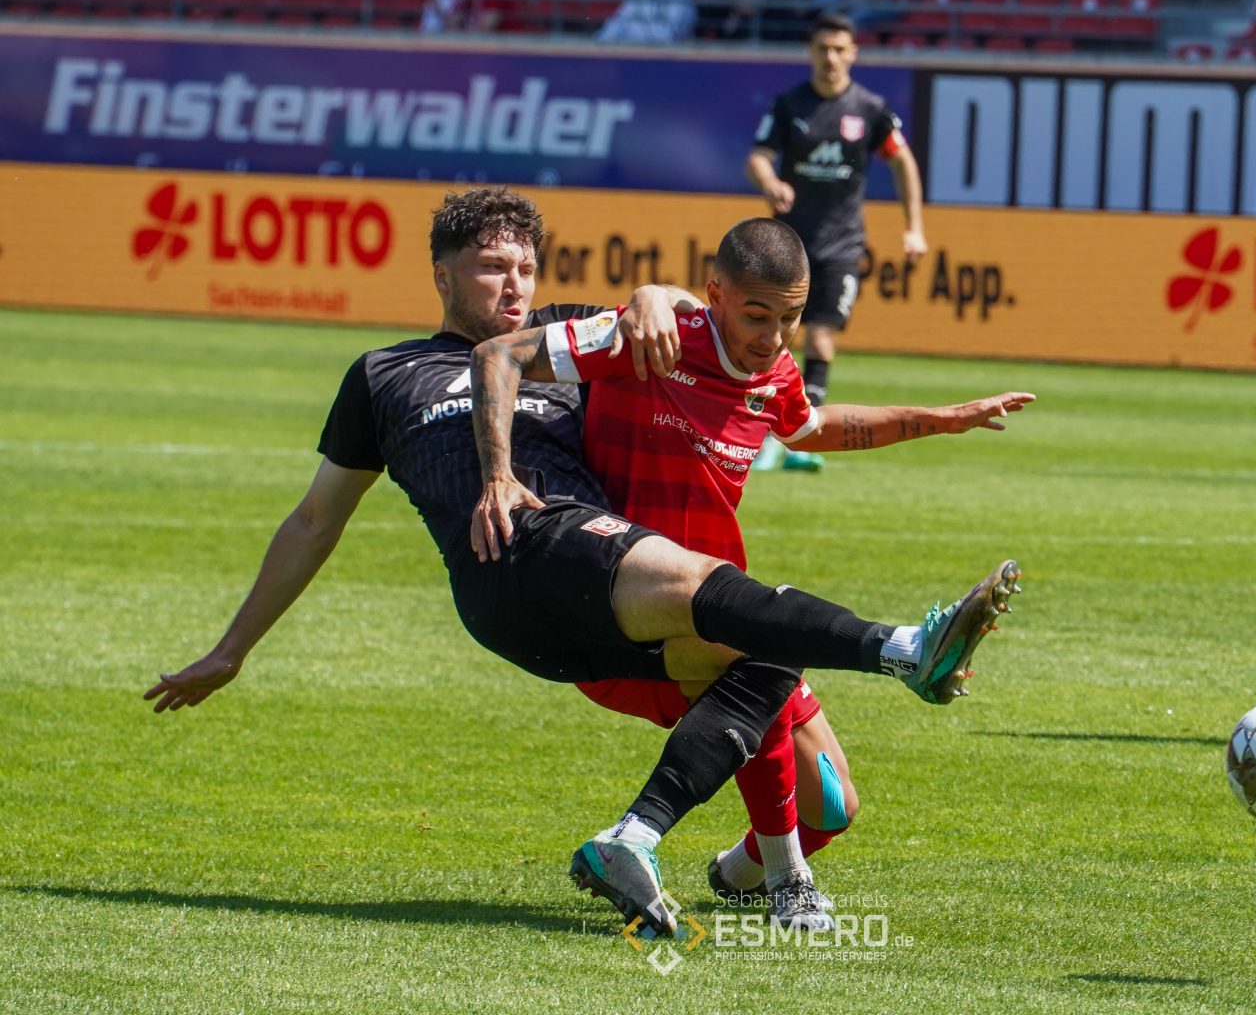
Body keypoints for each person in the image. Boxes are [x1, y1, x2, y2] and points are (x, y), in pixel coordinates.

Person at [143, 187, 1017, 936]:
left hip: (604, 584)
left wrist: (651, 294)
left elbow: (691, 321)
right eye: (492, 266)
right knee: (746, 618)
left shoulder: (566, 331)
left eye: (526, 267)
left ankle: (683, 856)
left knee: (817, 769)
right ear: (441, 274)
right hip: (525, 557)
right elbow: (312, 522)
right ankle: (905, 651)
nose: (514, 284)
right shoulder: (382, 375)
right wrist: (232, 650)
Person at [466, 216, 1032, 923]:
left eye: (790, 318)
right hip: (625, 609)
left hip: (725, 600)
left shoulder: (776, 372)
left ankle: (734, 875)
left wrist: (940, 419)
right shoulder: (650, 338)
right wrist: (498, 476)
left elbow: (814, 428)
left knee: (832, 805)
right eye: (758, 315)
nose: (774, 336)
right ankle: (787, 882)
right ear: (715, 295)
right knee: (760, 655)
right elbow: (498, 355)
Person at [745, 11, 927, 473]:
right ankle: (763, 431)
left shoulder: (869, 109)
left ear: (853, 53)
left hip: (842, 245)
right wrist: (770, 182)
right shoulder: (790, 105)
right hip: (788, 245)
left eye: (839, 49)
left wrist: (914, 227)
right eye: (823, 49)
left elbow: (903, 162)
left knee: (822, 337)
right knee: (775, 337)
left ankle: (796, 440)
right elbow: (759, 157)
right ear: (811, 52)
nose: (831, 58)